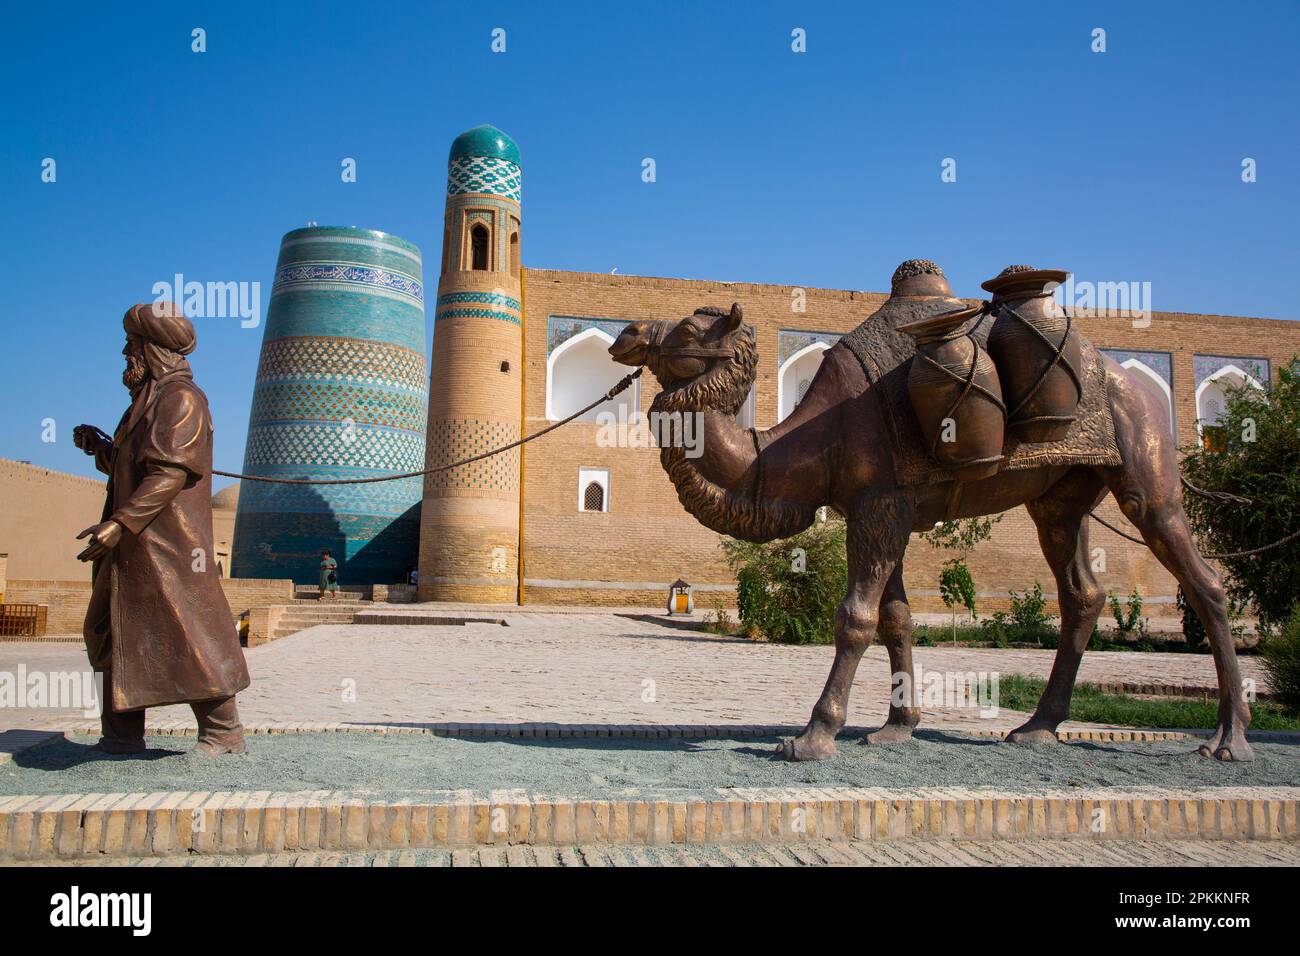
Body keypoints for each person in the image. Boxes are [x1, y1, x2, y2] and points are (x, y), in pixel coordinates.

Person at [73, 302, 250, 757]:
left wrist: (119, 523)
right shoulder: (144, 403)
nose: (125, 354)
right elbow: (134, 468)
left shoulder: (181, 400)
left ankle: (223, 732)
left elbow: (169, 474)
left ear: (154, 350)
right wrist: (101, 448)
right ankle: (121, 736)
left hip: (168, 546)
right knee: (109, 631)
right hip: (133, 548)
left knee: (188, 632)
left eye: (132, 345)